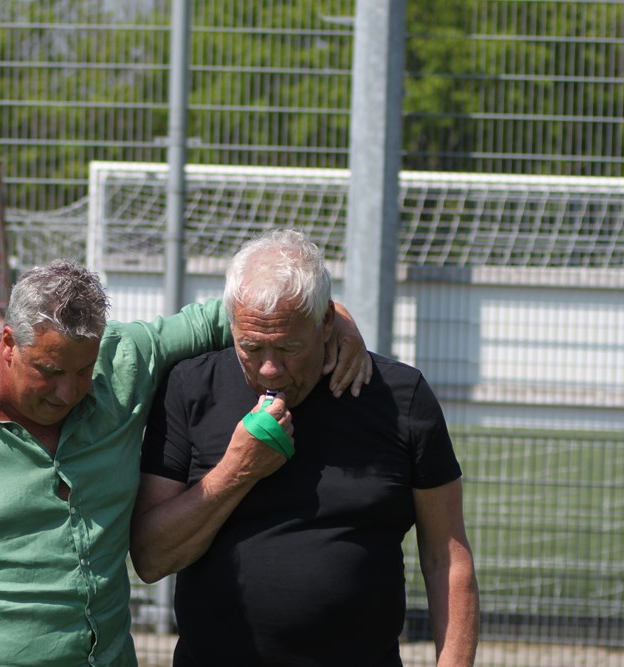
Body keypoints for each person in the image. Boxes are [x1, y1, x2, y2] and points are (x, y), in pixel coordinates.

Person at [0, 259, 372, 667]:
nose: (69, 391)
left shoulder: (124, 361)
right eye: (50, 371)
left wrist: (332, 317)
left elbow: (235, 315)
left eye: (84, 370)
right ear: (9, 343)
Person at [131, 230, 480, 667]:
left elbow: (447, 557)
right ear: (231, 325)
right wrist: (237, 471)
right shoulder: (190, 388)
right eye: (251, 347)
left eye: (290, 347)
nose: (269, 368)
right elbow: (150, 559)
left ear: (327, 322)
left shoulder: (400, 398)